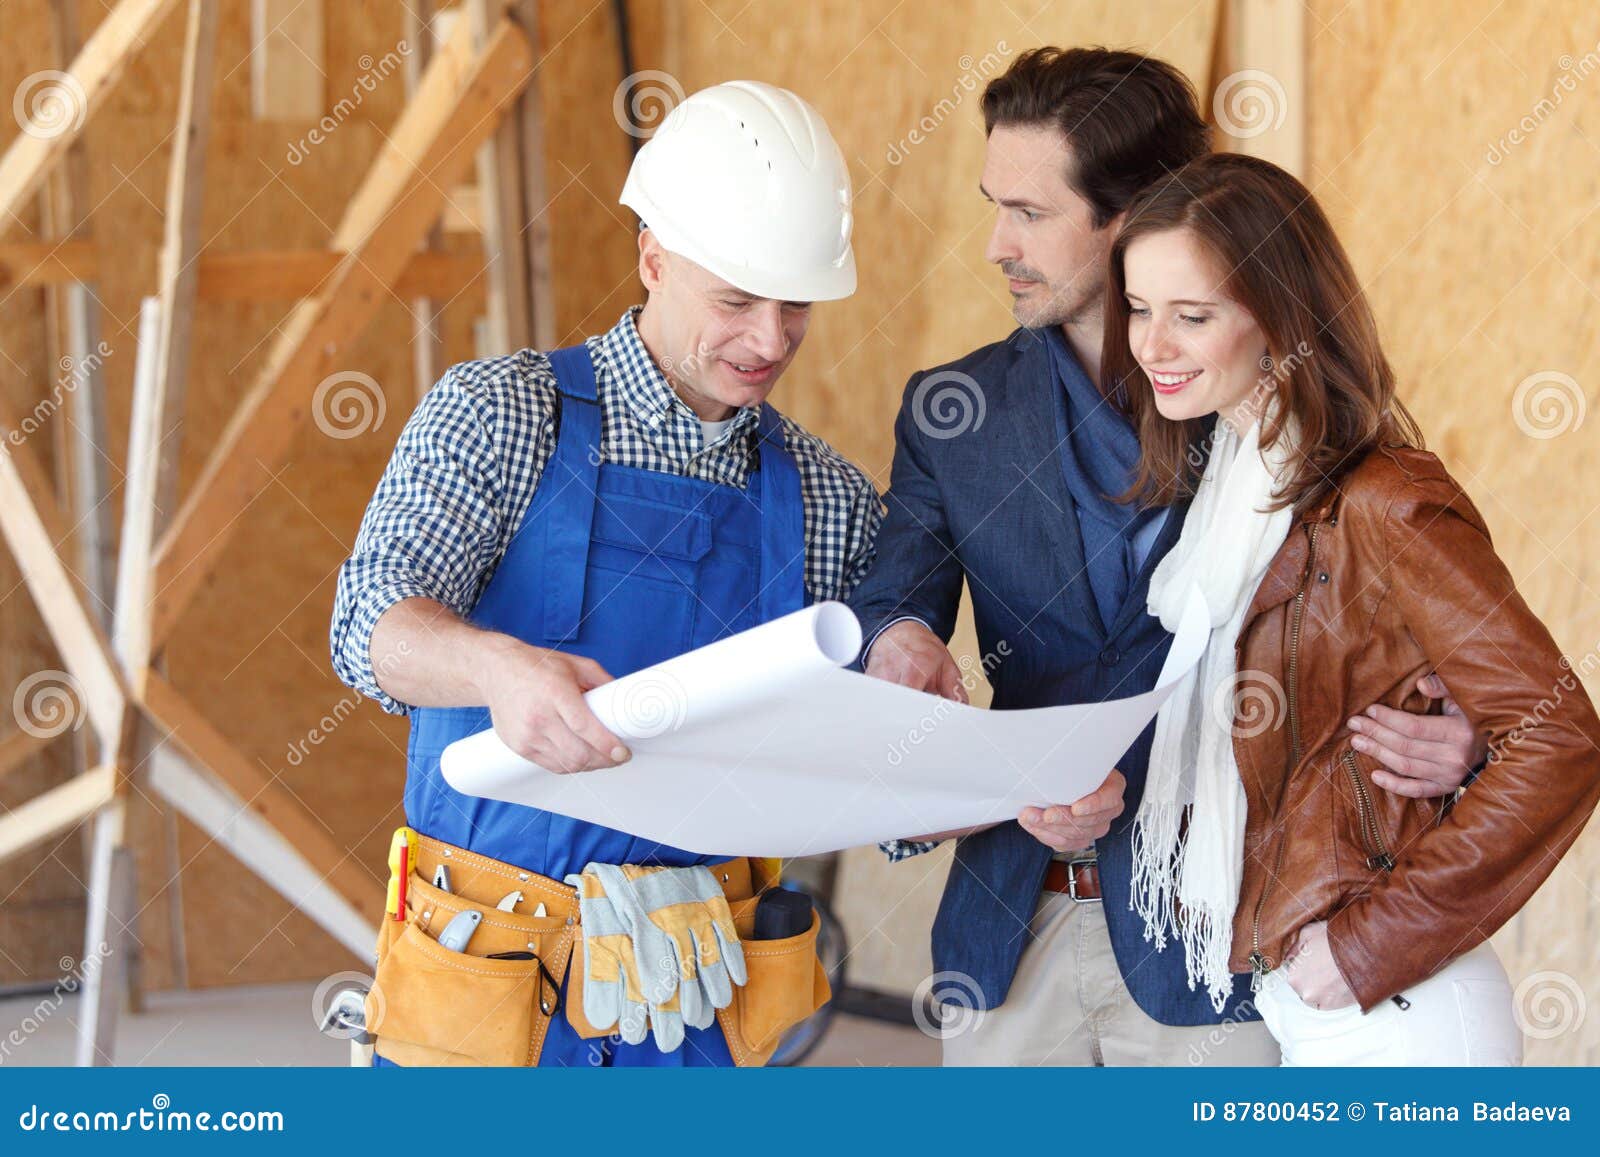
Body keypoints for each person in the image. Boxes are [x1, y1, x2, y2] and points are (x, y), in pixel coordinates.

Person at [849, 47, 1485, 1066]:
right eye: (992, 205)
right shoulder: (952, 414)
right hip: (1009, 941)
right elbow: (892, 601)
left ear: (1135, 216)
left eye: (1029, 213)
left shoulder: (1276, 416)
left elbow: (1426, 652)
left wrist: (1457, 738)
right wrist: (898, 645)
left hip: (1225, 950)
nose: (993, 245)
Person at [330, 81, 878, 1068]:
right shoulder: (503, 412)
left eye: (795, 305)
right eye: (736, 300)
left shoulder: (830, 498)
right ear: (652, 256)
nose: (769, 340)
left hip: (695, 999)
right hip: (486, 985)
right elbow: (367, 624)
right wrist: (494, 668)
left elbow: (860, 751)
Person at [1109, 150, 1600, 1065]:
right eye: (1139, 308)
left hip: (1400, 1009)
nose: (1151, 345)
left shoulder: (1384, 499)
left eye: (1192, 315)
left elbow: (1559, 736)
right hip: (1304, 1000)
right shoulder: (1229, 491)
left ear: (1279, 318)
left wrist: (1370, 942)